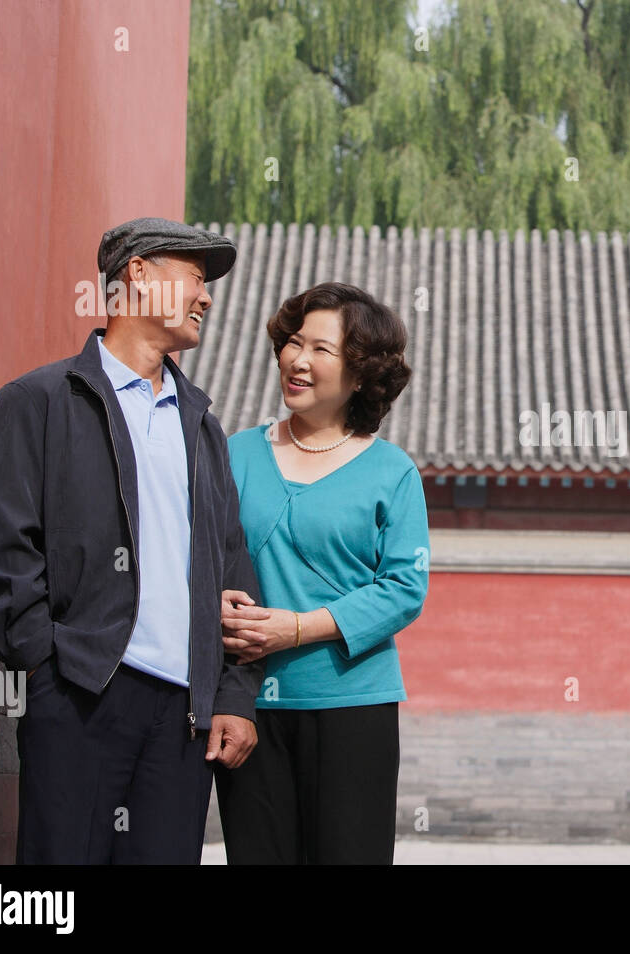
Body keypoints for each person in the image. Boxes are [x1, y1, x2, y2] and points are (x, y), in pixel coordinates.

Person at [0, 217, 266, 864]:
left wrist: (234, 697)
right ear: (137, 273)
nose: (207, 297)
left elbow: (234, 569)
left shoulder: (203, 430)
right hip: (82, 692)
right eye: (195, 276)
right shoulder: (40, 400)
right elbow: (6, 547)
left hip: (183, 725)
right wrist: (46, 665)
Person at [214, 281, 429, 865]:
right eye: (292, 343)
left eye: (321, 350)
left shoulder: (392, 471)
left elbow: (405, 589)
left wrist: (298, 628)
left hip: (353, 706)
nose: (297, 360)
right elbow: (202, 558)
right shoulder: (234, 453)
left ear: (360, 374)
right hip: (250, 706)